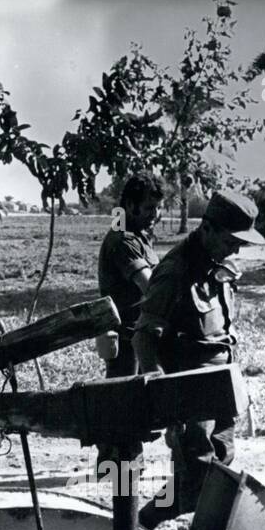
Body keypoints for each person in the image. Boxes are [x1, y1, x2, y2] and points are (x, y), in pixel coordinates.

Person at [131, 190, 264, 529]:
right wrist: (164, 394)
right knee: (194, 482)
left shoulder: (217, 265)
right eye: (231, 240)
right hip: (190, 392)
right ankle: (140, 527)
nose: (236, 249)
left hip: (221, 386)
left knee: (220, 472)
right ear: (207, 229)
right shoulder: (175, 271)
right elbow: (145, 335)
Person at [95, 171, 164, 482]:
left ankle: (118, 461)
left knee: (127, 397)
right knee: (123, 397)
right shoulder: (123, 240)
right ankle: (118, 464)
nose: (156, 214)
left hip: (138, 331)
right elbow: (150, 286)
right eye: (149, 208)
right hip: (125, 333)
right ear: (131, 206)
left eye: (158, 207)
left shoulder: (137, 236)